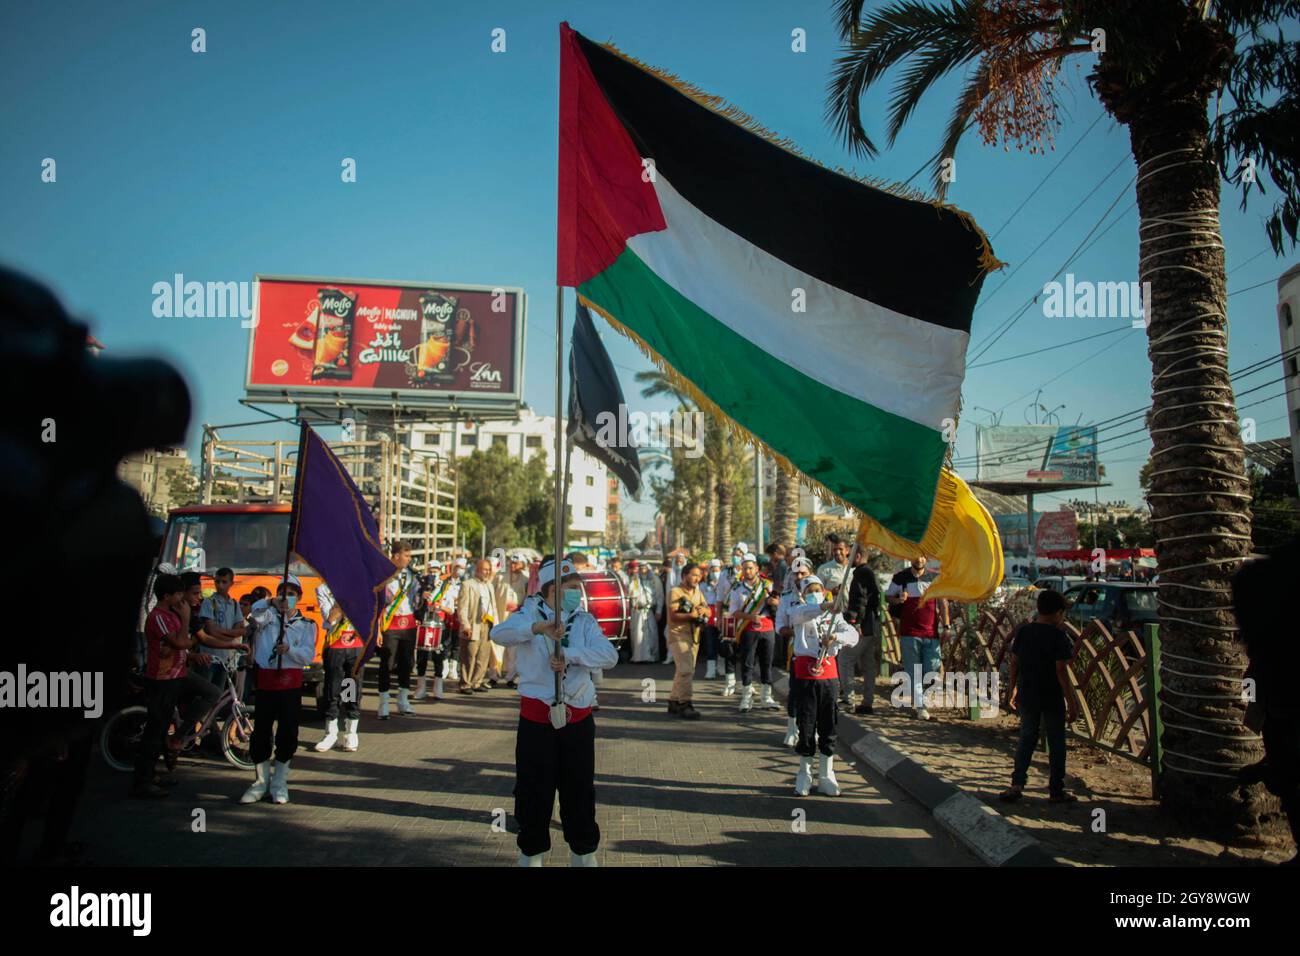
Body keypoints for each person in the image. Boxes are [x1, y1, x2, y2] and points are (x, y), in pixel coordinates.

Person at [490, 557, 619, 866]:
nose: (578, 593)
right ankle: (531, 854)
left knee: (579, 790)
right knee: (534, 791)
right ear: (552, 590)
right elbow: (499, 634)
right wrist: (537, 629)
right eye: (572, 588)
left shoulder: (585, 621)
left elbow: (609, 656)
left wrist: (572, 655)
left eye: (578, 587)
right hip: (537, 722)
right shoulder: (527, 614)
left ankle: (584, 853)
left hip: (577, 720)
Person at [240, 575, 318, 805]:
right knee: (261, 733)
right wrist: (271, 602)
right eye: (283, 593)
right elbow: (254, 612)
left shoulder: (307, 625)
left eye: (292, 595)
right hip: (266, 682)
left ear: (300, 598)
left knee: (288, 734)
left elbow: (307, 654)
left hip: (290, 684)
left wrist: (289, 650)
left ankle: (279, 783)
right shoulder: (267, 618)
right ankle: (259, 782)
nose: (287, 599)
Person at [999, 589, 1079, 804]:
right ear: (1057, 613)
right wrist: (1072, 703)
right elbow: (1061, 670)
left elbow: (1014, 661)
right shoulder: (1058, 636)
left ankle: (1017, 784)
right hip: (1051, 696)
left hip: (1028, 693)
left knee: (1027, 738)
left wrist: (1013, 688)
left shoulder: (1025, 632)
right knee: (1056, 742)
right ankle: (1056, 790)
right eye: (1062, 612)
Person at [132, 574, 204, 798]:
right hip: (161, 680)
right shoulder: (159, 617)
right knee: (154, 731)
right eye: (178, 593)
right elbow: (182, 642)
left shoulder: (169, 616)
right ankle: (142, 780)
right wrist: (186, 619)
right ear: (167, 596)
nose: (181, 598)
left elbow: (185, 644)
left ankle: (153, 773)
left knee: (162, 728)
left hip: (174, 677)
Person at [787, 574, 859, 796]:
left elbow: (853, 635)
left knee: (828, 724)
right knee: (806, 725)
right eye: (809, 590)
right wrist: (825, 604)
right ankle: (804, 773)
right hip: (805, 677)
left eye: (817, 589)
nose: (814, 593)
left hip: (828, 677)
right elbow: (801, 615)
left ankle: (827, 774)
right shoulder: (799, 612)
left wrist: (836, 637)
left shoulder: (833, 616)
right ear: (802, 594)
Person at [885, 556, 950, 720]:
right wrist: (898, 599)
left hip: (931, 632)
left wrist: (947, 626)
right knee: (914, 672)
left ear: (926, 559)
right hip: (909, 633)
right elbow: (888, 597)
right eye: (916, 555)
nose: (919, 559)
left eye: (922, 556)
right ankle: (921, 707)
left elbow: (943, 602)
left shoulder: (935, 577)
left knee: (932, 670)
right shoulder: (900, 577)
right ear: (910, 557)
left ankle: (923, 702)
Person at [315, 581, 364, 752]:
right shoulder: (323, 589)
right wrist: (342, 603)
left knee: (351, 687)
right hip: (335, 645)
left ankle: (350, 731)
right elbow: (329, 617)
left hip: (355, 644)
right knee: (332, 688)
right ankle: (331, 732)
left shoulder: (358, 587)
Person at [729, 555, 779, 713]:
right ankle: (746, 697)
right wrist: (750, 617)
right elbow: (734, 612)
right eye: (745, 568)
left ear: (757, 569)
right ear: (742, 571)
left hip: (767, 627)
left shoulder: (768, 585)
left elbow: (779, 603)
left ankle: (766, 697)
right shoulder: (737, 589)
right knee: (747, 664)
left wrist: (775, 603)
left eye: (751, 568)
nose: (748, 571)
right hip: (748, 629)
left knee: (767, 663)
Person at [377, 540, 421, 718]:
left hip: (408, 623)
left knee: (407, 663)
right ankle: (383, 704)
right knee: (387, 663)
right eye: (406, 555)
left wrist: (423, 595)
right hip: (390, 623)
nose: (409, 559)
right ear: (396, 556)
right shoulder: (384, 575)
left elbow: (416, 601)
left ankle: (403, 701)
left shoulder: (412, 576)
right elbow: (380, 603)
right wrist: (378, 629)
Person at [776, 555, 815, 745]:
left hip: (818, 652)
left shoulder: (820, 594)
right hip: (797, 651)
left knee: (815, 693)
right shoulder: (786, 598)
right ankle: (792, 728)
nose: (799, 577)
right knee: (796, 691)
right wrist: (795, 630)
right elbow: (780, 626)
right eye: (796, 573)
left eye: (803, 573)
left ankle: (812, 728)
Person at [666, 562, 710, 719]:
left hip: (694, 636)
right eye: (693, 574)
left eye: (699, 575)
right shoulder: (675, 592)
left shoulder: (698, 592)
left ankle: (673, 701)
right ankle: (685, 703)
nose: (697, 578)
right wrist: (690, 616)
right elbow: (672, 616)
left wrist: (704, 611)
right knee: (686, 670)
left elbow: (708, 610)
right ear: (684, 576)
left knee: (683, 670)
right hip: (678, 635)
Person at [843, 550, 882, 715]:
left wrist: (856, 622)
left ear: (857, 556)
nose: (848, 559)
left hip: (863, 626)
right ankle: (867, 702)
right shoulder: (868, 572)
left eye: (849, 556)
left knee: (845, 659)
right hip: (871, 625)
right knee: (868, 665)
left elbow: (860, 600)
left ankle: (849, 699)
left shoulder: (862, 573)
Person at [457, 557, 502, 694]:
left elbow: (493, 606)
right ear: (477, 570)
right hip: (472, 625)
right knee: (469, 655)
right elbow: (462, 608)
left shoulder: (489, 585)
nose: (487, 572)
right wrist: (465, 625)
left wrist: (496, 624)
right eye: (485, 569)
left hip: (487, 624)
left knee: (484, 655)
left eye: (489, 570)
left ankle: (477, 682)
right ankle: (465, 683)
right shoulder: (467, 584)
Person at [197, 567, 246, 691]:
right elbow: (211, 631)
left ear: (231, 583)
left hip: (226, 659)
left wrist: (221, 632)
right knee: (206, 692)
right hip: (210, 657)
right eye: (217, 581)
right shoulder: (209, 602)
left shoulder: (234, 604)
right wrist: (231, 636)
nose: (220, 585)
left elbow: (241, 629)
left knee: (219, 693)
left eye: (224, 582)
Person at [627, 560, 660, 663]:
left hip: (648, 611)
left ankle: (651, 657)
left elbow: (659, 596)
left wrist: (659, 610)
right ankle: (638, 657)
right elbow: (631, 594)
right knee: (637, 634)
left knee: (650, 634)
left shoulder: (654, 580)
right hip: (637, 611)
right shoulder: (635, 580)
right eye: (640, 568)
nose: (642, 570)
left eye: (644, 568)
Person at [700, 558, 724, 680]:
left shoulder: (725, 584)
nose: (715, 573)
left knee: (722, 642)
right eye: (713, 570)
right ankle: (710, 669)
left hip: (721, 614)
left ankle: (721, 667)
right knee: (710, 643)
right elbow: (702, 601)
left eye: (717, 570)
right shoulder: (703, 585)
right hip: (709, 615)